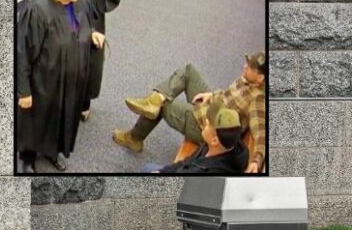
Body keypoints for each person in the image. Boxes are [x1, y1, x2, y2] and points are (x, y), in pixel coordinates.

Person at [16, 0, 106, 173]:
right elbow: (23, 53)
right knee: (36, 120)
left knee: (62, 116)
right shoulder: (37, 11)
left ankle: (51, 152)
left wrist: (92, 34)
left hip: (72, 80)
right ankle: (27, 158)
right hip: (44, 82)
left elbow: (83, 27)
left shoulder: (79, 1)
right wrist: (24, 91)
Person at [112, 51, 267, 173]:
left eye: (250, 67)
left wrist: (257, 160)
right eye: (247, 62)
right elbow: (228, 95)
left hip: (206, 127)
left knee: (163, 105)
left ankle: (134, 137)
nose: (245, 66)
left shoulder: (258, 100)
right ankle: (155, 99)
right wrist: (211, 96)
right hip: (212, 107)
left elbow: (261, 132)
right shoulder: (246, 78)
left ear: (260, 78)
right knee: (188, 70)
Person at [69, 0, 123, 122]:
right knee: (70, 60)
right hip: (70, 21)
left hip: (95, 23)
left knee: (91, 63)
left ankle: (85, 103)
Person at [142, 98, 248, 173]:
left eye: (208, 124)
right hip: (186, 168)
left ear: (215, 141)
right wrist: (163, 171)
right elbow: (188, 161)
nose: (205, 122)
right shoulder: (225, 144)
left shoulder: (207, 171)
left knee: (146, 168)